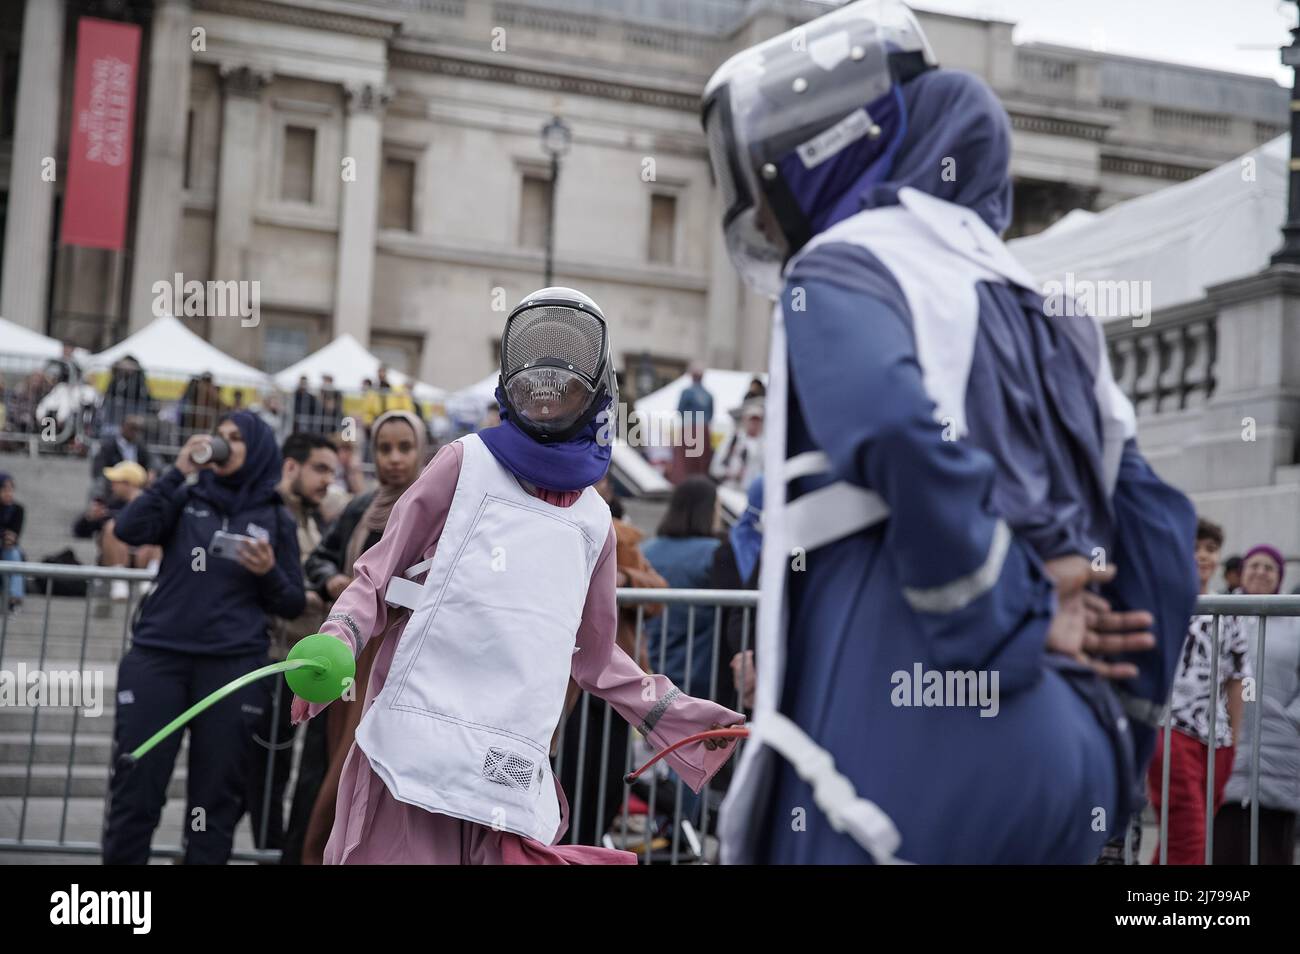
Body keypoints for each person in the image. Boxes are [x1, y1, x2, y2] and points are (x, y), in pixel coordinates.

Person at [704, 0, 1197, 864]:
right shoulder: (1057, 313)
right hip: (1071, 748)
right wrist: (1120, 730)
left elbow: (895, 422)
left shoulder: (845, 262)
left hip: (912, 743)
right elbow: (1160, 536)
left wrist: (1004, 612)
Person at [288, 287, 742, 864]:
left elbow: (597, 657)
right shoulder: (463, 462)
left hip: (507, 774)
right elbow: (377, 577)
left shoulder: (593, 519)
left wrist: (678, 719)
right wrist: (338, 637)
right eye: (535, 383)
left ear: (594, 393)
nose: (547, 397)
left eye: (566, 386)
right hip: (416, 754)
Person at [101, 411, 305, 864]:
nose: (223, 443)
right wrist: (177, 471)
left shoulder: (274, 516)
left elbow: (292, 600)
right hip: (158, 659)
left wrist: (268, 571)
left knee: (212, 807)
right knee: (135, 792)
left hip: (232, 669)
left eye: (236, 438)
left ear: (258, 450)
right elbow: (129, 530)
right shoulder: (186, 494)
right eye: (220, 435)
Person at [288, 410, 427, 864]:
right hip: (348, 658)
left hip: (408, 663)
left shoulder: (439, 511)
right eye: (384, 448)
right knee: (327, 769)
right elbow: (322, 558)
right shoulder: (360, 508)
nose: (393, 458)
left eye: (404, 447)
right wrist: (334, 582)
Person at [245, 432, 339, 856]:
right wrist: (314, 594)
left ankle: (280, 847)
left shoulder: (313, 517)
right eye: (320, 469)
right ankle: (269, 848)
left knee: (284, 770)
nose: (327, 481)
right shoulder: (266, 515)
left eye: (332, 473)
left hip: (301, 661)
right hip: (271, 660)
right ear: (290, 467)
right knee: (267, 771)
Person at [1146, 518, 1248, 864]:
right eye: (1195, 547)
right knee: (1189, 840)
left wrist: (1234, 739)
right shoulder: (1158, 602)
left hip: (1217, 739)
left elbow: (1236, 679)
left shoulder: (1231, 611)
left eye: (1211, 549)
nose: (1203, 556)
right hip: (1170, 730)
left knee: (1185, 836)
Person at [1214, 544, 1300, 865]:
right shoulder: (1221, 617)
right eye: (1254, 565)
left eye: (1269, 568)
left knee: (1272, 850)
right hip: (1227, 748)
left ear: (1279, 577)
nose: (1261, 572)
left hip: (1281, 755)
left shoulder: (1295, 623)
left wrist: (1291, 720)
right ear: (1242, 572)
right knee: (1226, 845)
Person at [93, 462, 160, 601]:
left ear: (128, 483)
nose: (112, 485)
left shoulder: (152, 503)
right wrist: (90, 518)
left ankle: (150, 578)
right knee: (112, 526)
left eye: (116, 481)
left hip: (143, 555)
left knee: (161, 525)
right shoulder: (110, 504)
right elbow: (79, 530)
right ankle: (119, 580)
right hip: (115, 556)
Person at [669, 363, 714, 483]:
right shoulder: (708, 395)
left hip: (689, 428)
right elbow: (710, 416)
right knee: (700, 462)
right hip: (702, 429)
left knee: (685, 463)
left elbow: (680, 410)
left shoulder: (687, 392)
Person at [91, 415, 156, 494]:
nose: (134, 432)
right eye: (131, 428)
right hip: (115, 486)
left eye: (137, 429)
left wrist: (151, 471)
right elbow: (98, 469)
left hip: (137, 485)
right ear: (122, 427)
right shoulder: (108, 447)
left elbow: (151, 461)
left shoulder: (140, 446)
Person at [710, 398, 765, 492]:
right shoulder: (732, 441)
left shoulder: (766, 446)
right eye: (752, 420)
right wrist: (730, 474)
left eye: (758, 420)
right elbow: (714, 469)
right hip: (732, 491)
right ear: (745, 420)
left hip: (754, 493)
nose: (754, 423)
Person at [0, 472, 25, 613]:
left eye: (11, 489)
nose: (8, 493)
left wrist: (8, 538)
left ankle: (15, 598)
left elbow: (16, 534)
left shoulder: (17, 509)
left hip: (7, 548)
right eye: (4, 489)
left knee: (14, 553)